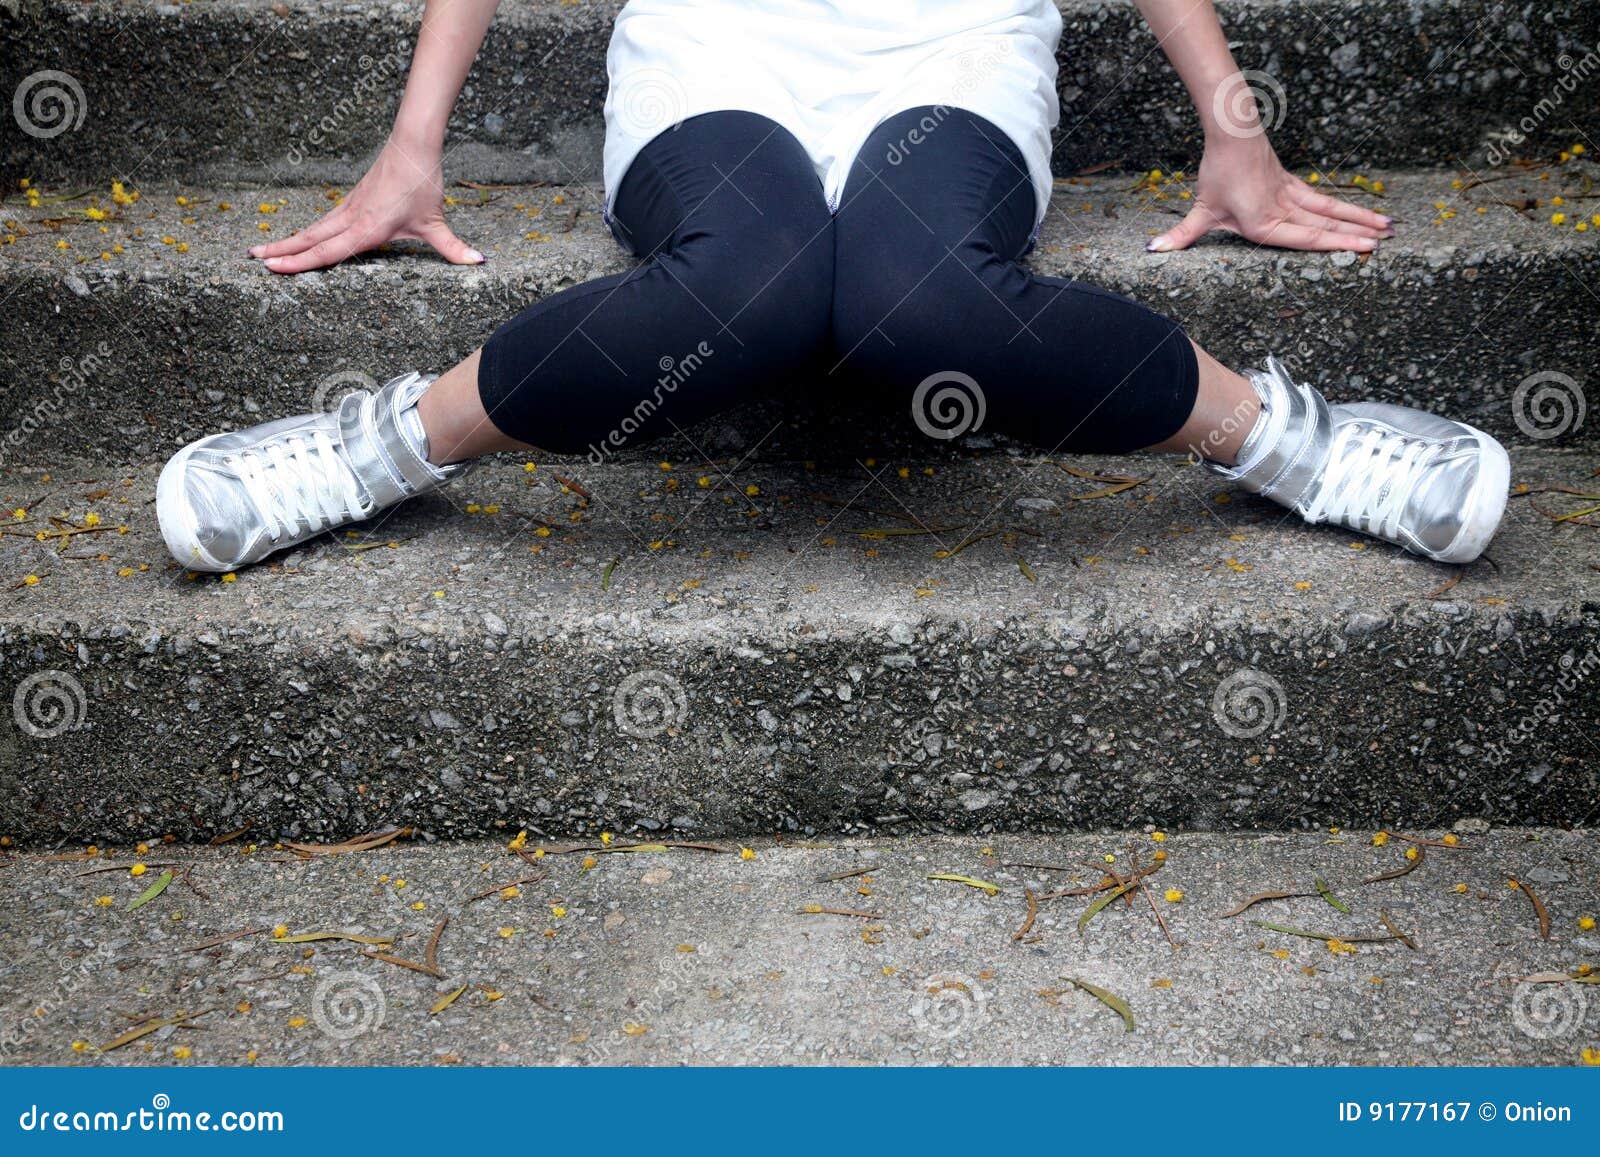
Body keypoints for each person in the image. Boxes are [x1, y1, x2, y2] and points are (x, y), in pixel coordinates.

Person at [156, 0, 1509, 573]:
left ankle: (1299, 445)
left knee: (917, 315)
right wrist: (412, 145)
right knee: (748, 290)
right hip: (717, 49)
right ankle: (376, 449)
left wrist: (1234, 124)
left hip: (950, 47)